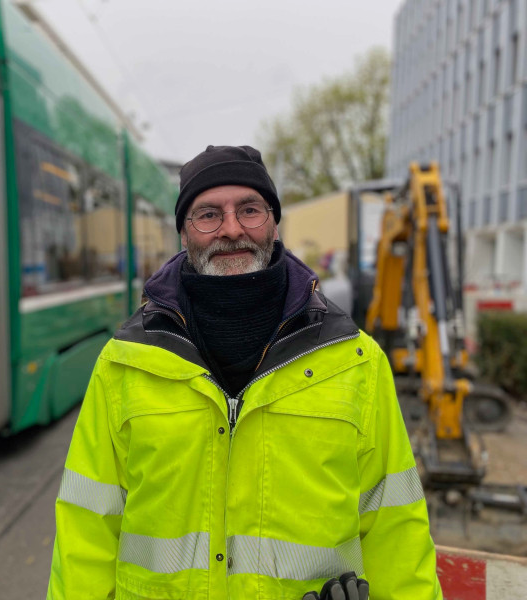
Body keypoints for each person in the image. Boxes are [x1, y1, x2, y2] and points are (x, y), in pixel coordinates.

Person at [47, 145, 442, 600]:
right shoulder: (124, 363)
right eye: (208, 214)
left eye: (250, 210)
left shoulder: (355, 361)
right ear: (184, 233)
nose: (232, 229)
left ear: (274, 224)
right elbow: (85, 529)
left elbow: (396, 527)